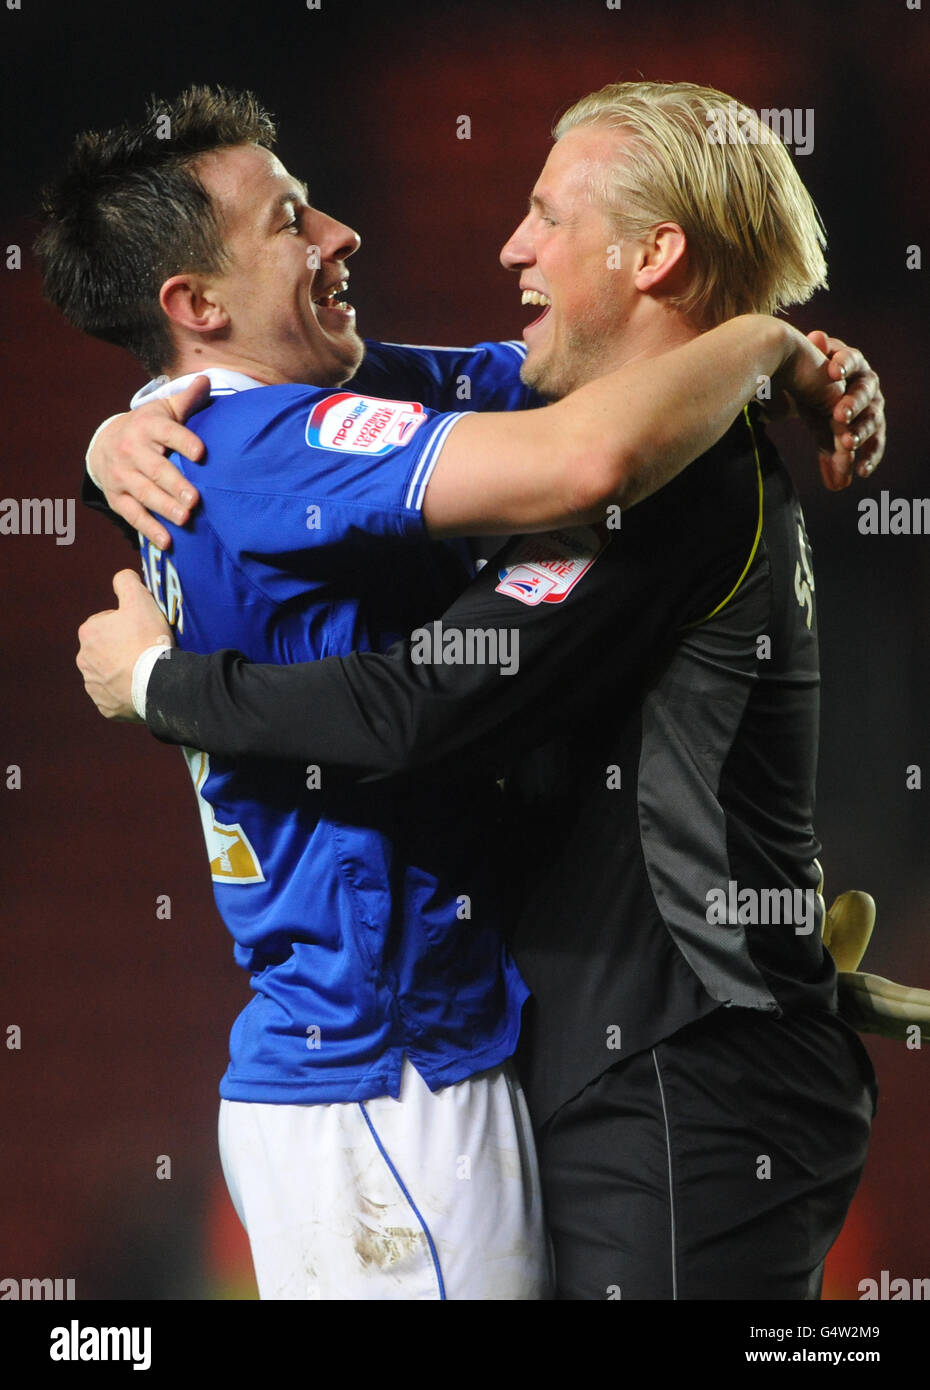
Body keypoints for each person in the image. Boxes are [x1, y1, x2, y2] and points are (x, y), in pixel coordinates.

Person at [68, 83, 883, 1300]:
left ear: (653, 254)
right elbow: (271, 423)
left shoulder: (673, 468)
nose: (513, 247)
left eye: (547, 216)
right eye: (292, 218)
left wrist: (161, 681)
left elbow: (425, 707)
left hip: (658, 1077)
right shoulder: (276, 437)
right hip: (437, 1068)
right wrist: (120, 434)